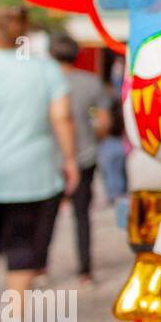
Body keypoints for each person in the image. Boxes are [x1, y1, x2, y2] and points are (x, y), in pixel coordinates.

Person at [0, 9, 79, 322]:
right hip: (29, 173)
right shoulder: (43, 68)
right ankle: (15, 320)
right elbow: (62, 117)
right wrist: (71, 159)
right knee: (22, 243)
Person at [49, 33, 112, 284]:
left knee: (45, 216)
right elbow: (104, 121)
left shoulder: (44, 82)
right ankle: (85, 270)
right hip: (84, 155)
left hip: (49, 157)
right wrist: (93, 136)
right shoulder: (91, 82)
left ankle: (38, 266)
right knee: (82, 215)